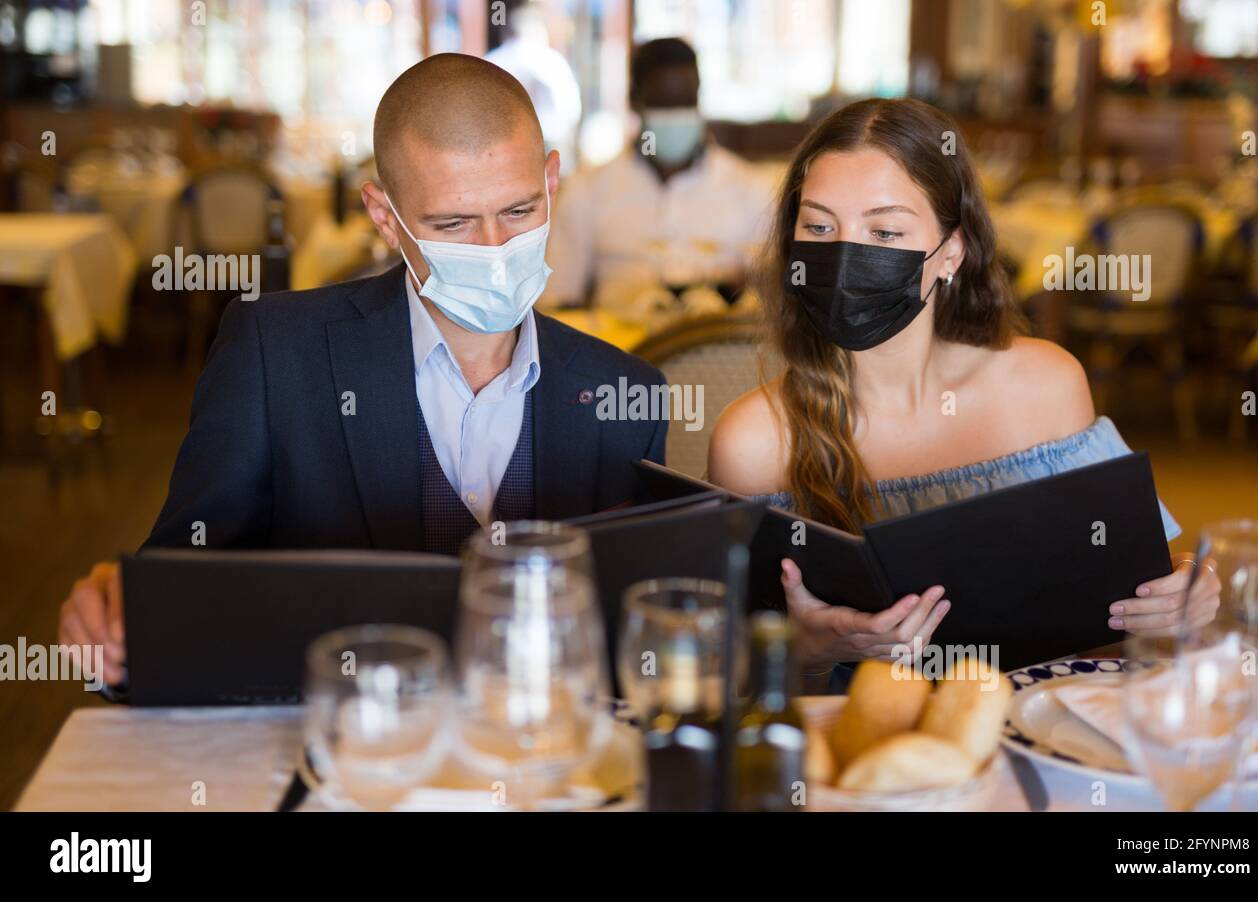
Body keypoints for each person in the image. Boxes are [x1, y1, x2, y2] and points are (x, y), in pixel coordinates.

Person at [59, 54, 667, 690]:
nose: (494, 251)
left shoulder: (628, 394)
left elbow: (638, 640)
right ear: (385, 217)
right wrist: (117, 626)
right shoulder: (275, 353)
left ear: (550, 181)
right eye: (453, 223)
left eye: (518, 211)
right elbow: (182, 583)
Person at [707, 98, 1219, 689]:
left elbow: (1121, 610)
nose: (846, 255)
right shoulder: (754, 442)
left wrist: (1182, 591)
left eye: (885, 230)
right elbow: (734, 677)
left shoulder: (1046, 389)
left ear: (952, 252)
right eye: (820, 227)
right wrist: (810, 650)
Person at [542, 37, 774, 313]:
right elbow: (558, 304)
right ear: (634, 102)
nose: (676, 115)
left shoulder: (753, 190)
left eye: (685, 103)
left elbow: (770, 303)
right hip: (619, 350)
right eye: (662, 104)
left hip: (718, 352)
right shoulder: (587, 191)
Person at [485, 2, 582, 172]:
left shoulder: (491, 62)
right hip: (545, 143)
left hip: (496, 149)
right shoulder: (551, 61)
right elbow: (570, 111)